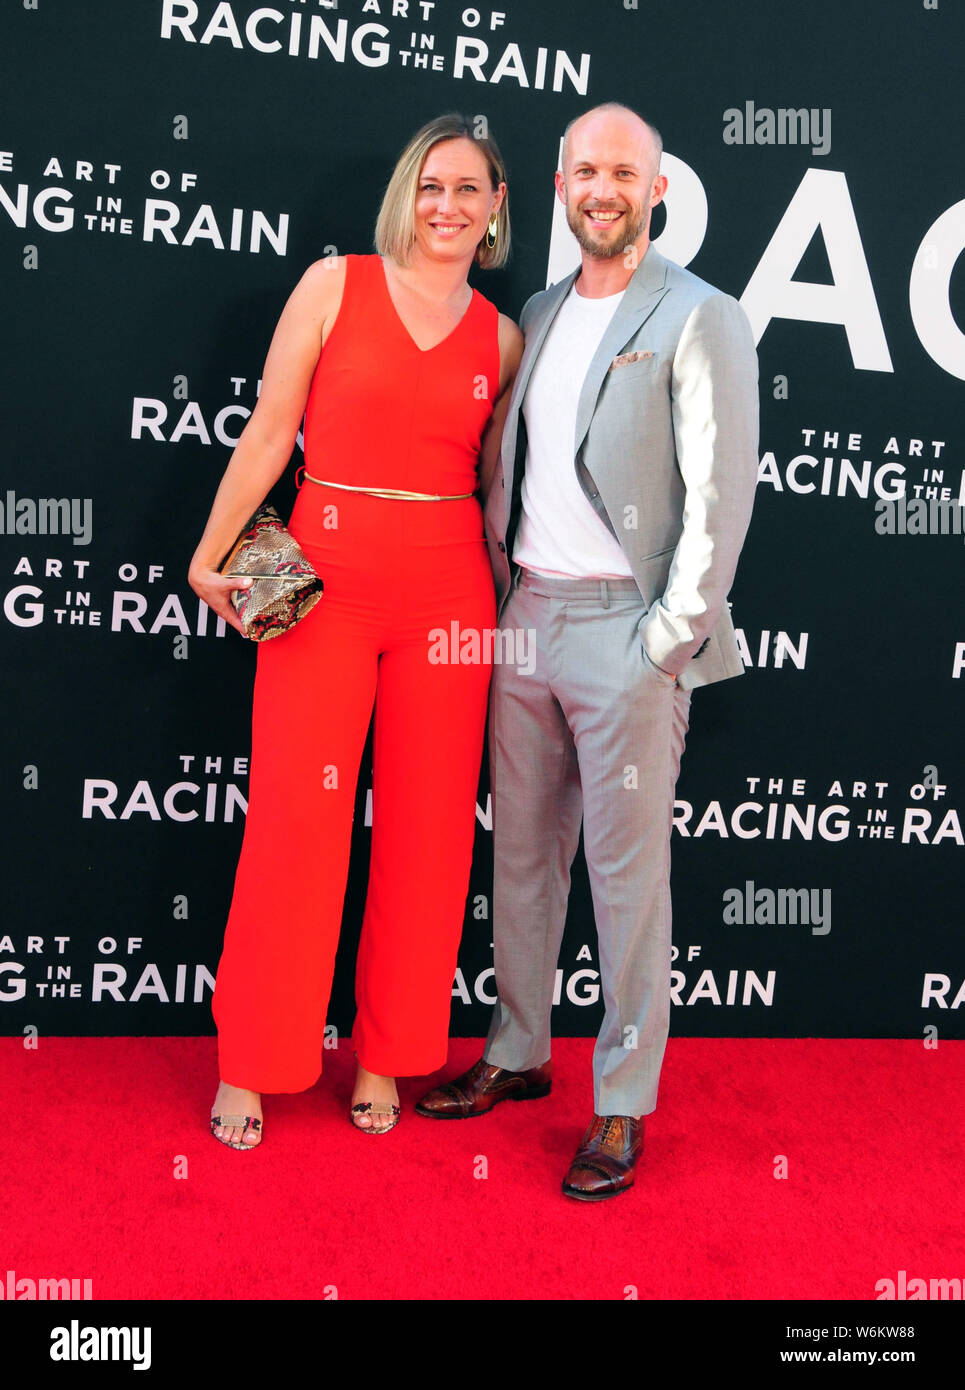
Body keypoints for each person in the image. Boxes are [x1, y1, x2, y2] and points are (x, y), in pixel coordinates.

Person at [416, 103, 759, 1200]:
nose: (600, 188)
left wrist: (666, 638)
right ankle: (517, 1052)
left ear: (655, 188)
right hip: (525, 619)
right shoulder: (539, 305)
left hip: (627, 629)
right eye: (582, 170)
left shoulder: (701, 315)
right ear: (558, 187)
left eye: (622, 171)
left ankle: (620, 1102)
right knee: (519, 860)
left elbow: (719, 497)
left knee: (625, 879)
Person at [189, 113, 522, 1148]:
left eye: (467, 189)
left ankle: (387, 1054)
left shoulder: (502, 336)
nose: (446, 206)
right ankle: (252, 1062)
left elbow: (499, 487)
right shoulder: (334, 283)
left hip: (448, 594)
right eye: (430, 186)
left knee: (427, 834)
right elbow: (271, 428)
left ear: (496, 207)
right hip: (317, 575)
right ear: (404, 195)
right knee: (295, 821)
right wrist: (215, 551)